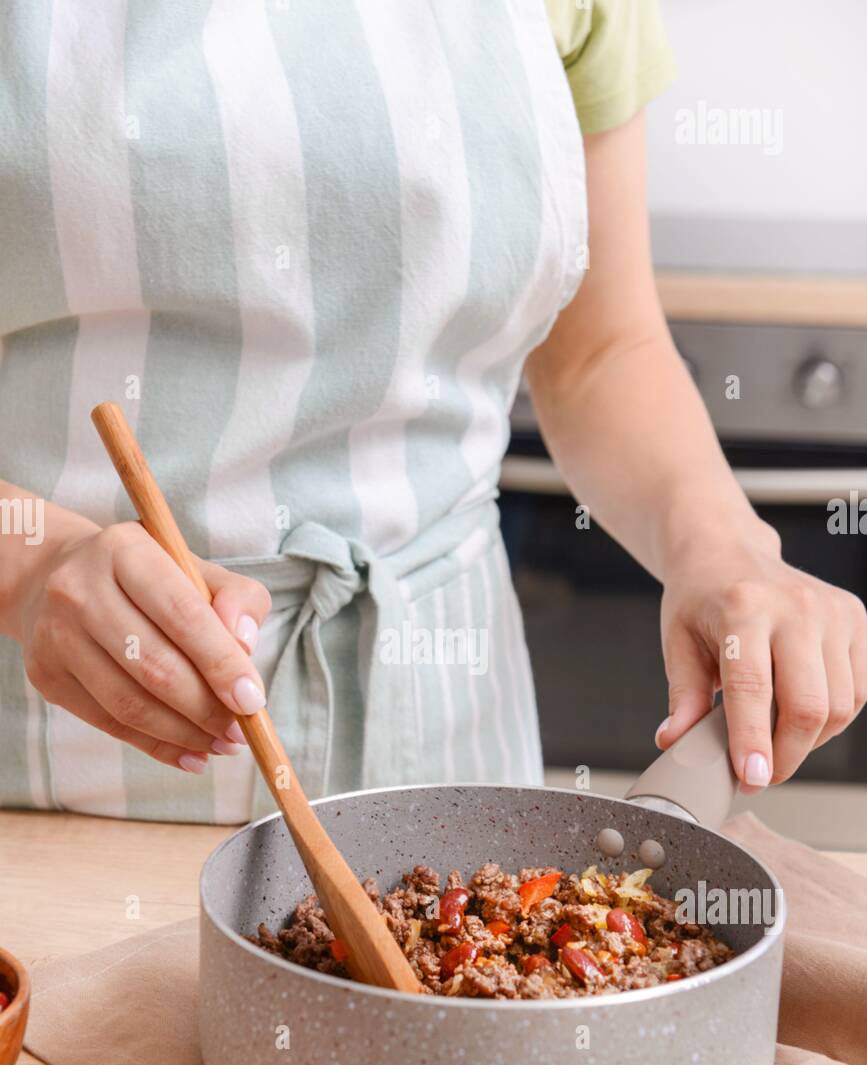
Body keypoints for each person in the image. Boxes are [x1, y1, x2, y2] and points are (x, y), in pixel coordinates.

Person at [0, 0, 864, 825]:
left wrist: (720, 547)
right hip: (43, 788)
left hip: (448, 752)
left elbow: (601, 352)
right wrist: (35, 567)